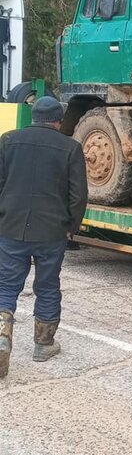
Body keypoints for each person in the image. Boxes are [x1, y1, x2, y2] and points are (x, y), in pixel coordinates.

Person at [0, 96, 88, 377]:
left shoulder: (8, 140)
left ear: (32, 116)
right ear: (59, 121)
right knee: (47, 285)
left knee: (6, 284)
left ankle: (2, 337)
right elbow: (78, 195)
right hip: (52, 231)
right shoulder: (71, 147)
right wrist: (71, 227)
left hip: (11, 226)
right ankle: (43, 344)